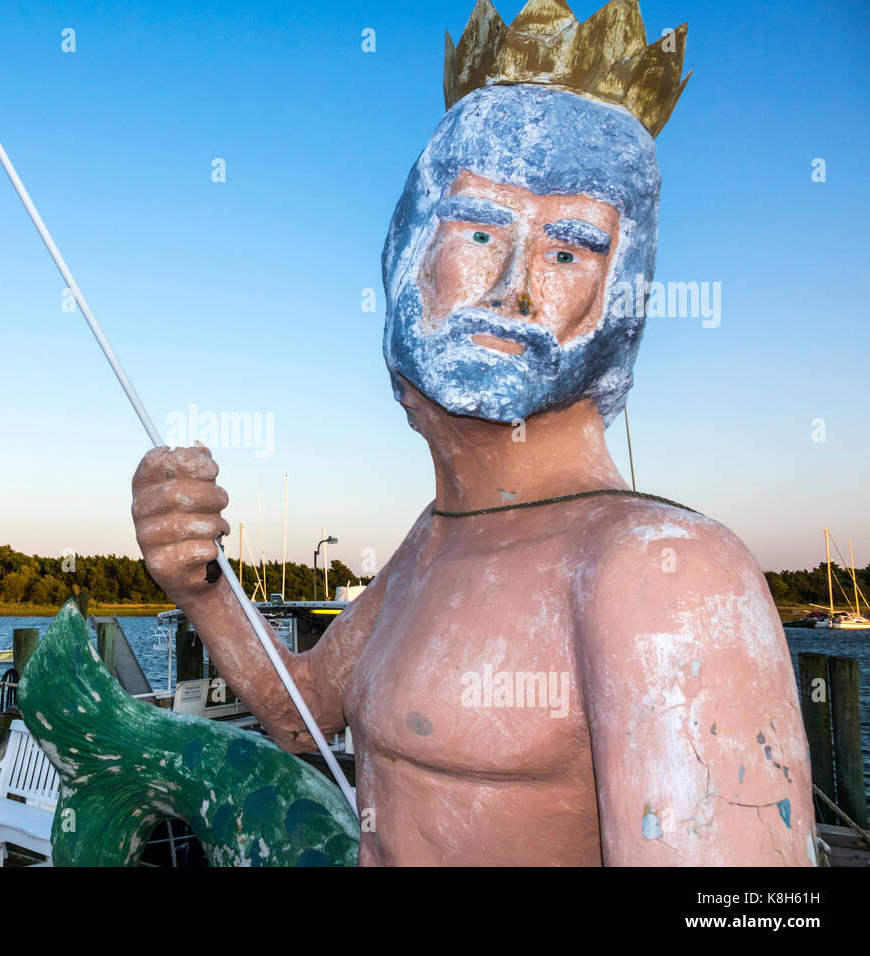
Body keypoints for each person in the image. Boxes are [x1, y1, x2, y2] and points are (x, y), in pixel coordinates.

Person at [130, 0, 814, 865]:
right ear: (407, 251)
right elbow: (301, 714)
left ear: (624, 295)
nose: (517, 289)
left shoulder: (666, 575)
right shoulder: (436, 543)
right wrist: (201, 584)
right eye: (482, 229)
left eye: (570, 252)